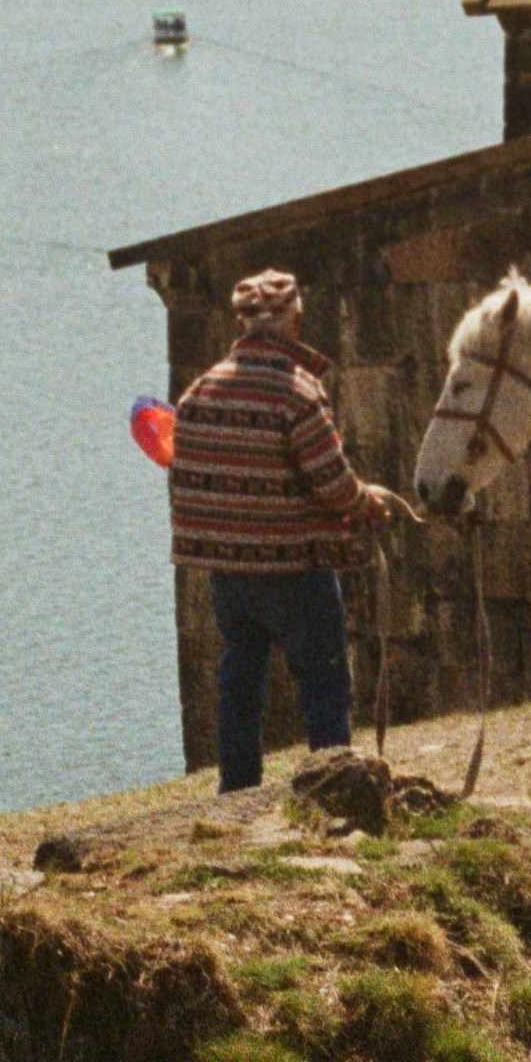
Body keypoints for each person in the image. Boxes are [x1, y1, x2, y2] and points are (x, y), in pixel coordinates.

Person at [165, 265, 406, 791]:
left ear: (243, 324)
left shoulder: (199, 393)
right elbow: (333, 484)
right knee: (323, 681)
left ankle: (237, 791)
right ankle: (334, 788)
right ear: (295, 320)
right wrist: (370, 502)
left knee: (239, 682)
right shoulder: (297, 392)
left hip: (229, 572)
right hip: (294, 568)